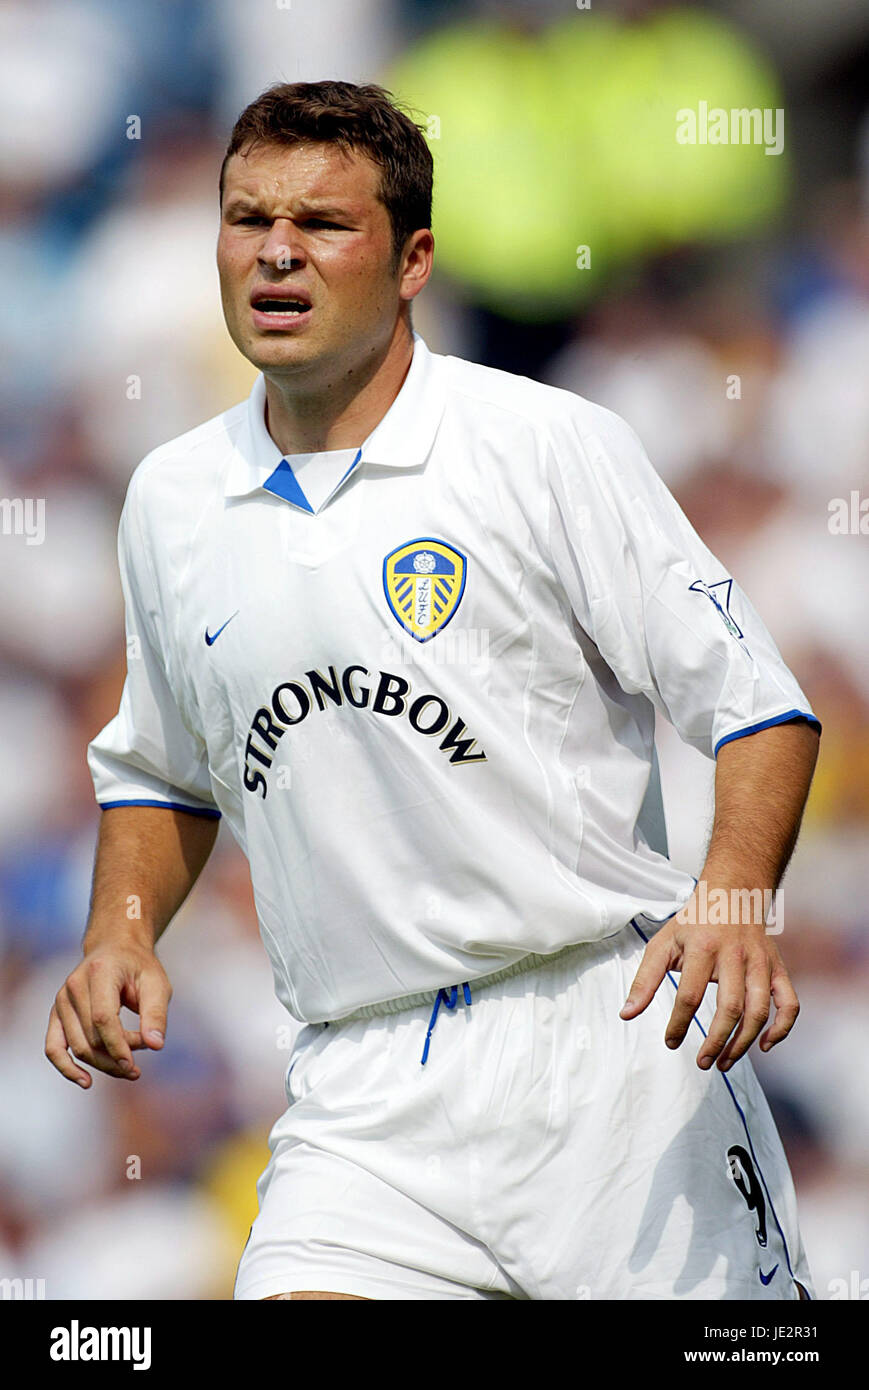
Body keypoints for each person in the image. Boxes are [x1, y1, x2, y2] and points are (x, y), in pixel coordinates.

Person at [46, 80, 821, 1301]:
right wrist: (117, 935)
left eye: (321, 225)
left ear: (411, 261)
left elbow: (760, 703)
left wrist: (730, 894)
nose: (276, 255)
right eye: (247, 221)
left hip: (603, 1048)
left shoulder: (544, 444)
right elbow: (159, 769)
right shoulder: (172, 499)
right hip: (359, 1092)